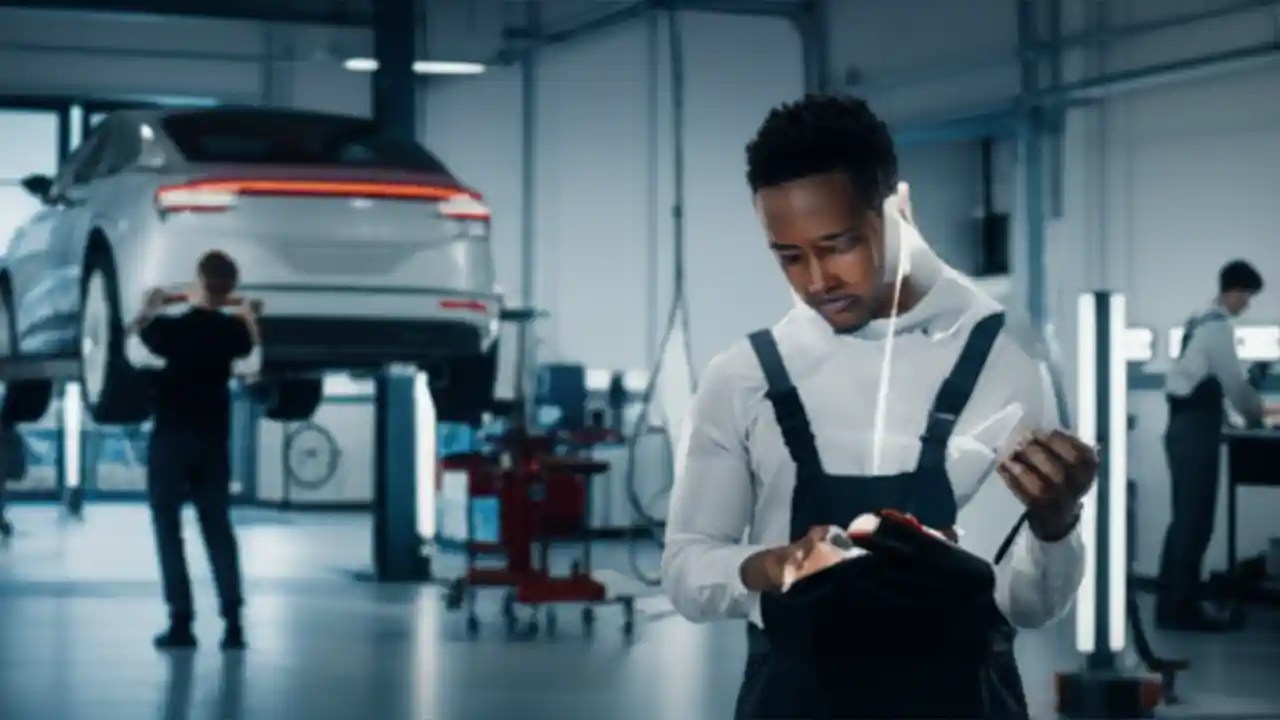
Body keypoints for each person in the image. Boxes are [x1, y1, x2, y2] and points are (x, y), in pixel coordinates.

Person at [660, 95, 1097, 719]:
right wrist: (776, 563)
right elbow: (686, 569)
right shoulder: (744, 377)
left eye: (838, 245)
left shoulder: (1002, 367)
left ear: (897, 210)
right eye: (789, 256)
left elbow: (1028, 605)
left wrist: (1056, 522)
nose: (816, 281)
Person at [130, 250, 261, 651]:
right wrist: (250, 315)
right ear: (229, 290)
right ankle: (233, 624)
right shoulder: (232, 334)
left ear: (199, 281)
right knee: (218, 529)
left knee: (168, 529)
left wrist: (149, 307)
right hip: (212, 443)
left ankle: (181, 622)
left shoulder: (171, 330)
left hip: (171, 439)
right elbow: (252, 351)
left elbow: (131, 337)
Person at [1156, 259, 1265, 631]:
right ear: (1234, 290)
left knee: (1185, 520)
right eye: (1247, 298)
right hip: (1195, 432)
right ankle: (1181, 608)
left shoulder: (1196, 320)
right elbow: (1235, 386)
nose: (1246, 306)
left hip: (1184, 427)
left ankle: (1172, 604)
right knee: (1195, 522)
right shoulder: (1216, 328)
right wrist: (1255, 417)